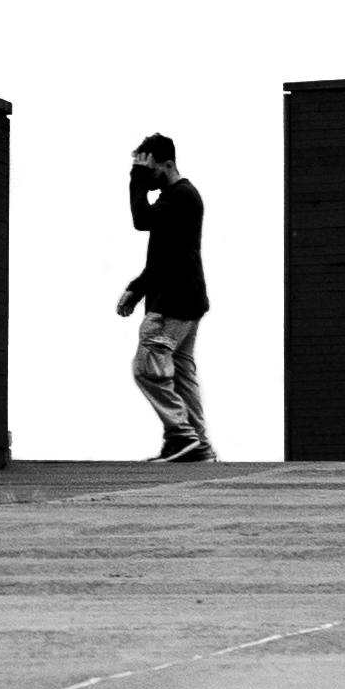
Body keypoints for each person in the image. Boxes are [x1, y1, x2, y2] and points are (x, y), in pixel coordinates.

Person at [116, 133, 214, 462]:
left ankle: (181, 435)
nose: (148, 176)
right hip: (184, 298)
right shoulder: (175, 199)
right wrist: (137, 288)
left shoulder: (182, 196)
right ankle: (197, 445)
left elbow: (140, 220)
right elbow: (162, 257)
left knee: (147, 367)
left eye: (151, 169)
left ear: (167, 164)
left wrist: (136, 179)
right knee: (182, 374)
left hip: (174, 303)